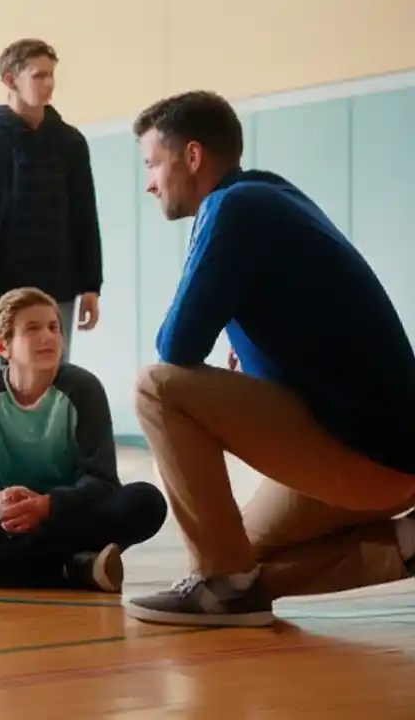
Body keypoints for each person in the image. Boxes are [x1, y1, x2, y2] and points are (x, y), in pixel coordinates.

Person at [124, 90, 415, 627]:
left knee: (156, 384)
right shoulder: (270, 194)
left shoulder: (232, 206)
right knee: (244, 552)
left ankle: (224, 584)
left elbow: (177, 345)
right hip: (389, 452)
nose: (148, 182)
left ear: (192, 157)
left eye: (151, 164)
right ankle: (405, 544)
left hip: (363, 449)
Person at [0, 288, 167, 592]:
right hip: (6, 520)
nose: (48, 337)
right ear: (3, 346)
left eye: (54, 328)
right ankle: (74, 564)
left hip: (64, 517)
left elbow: (101, 481)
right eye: (32, 329)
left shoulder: (83, 388)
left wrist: (47, 505)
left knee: (146, 501)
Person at [0, 39, 102, 369]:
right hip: (5, 292)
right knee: (6, 380)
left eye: (52, 75)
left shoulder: (71, 143)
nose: (49, 84)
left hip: (59, 285)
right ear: (11, 80)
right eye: (39, 76)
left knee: (55, 375)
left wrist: (91, 285)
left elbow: (83, 216)